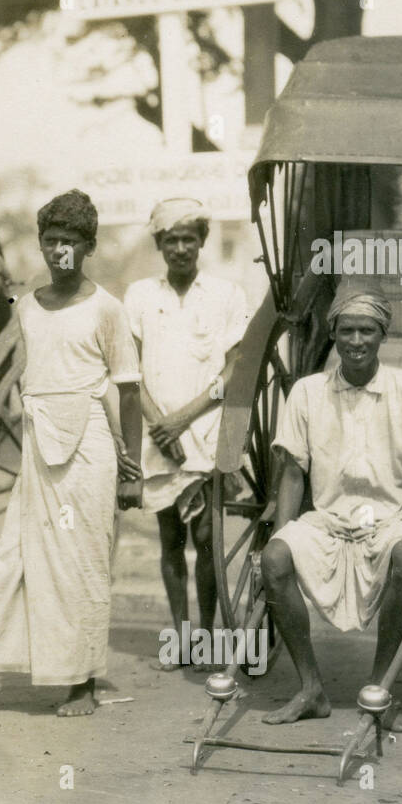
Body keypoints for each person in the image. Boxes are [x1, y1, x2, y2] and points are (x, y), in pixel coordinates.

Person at [0, 189, 143, 718]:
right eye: (51, 241)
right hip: (40, 442)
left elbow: (128, 391)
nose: (58, 251)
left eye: (70, 242)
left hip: (88, 445)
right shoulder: (30, 308)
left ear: (88, 247)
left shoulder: (108, 309)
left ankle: (82, 683)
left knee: (82, 561)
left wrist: (133, 472)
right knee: (12, 560)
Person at [260, 283, 402, 729]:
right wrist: (277, 540)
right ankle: (310, 689)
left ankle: (379, 689)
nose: (357, 342)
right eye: (346, 331)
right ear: (334, 334)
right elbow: (292, 473)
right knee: (274, 558)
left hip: (392, 518)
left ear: (383, 335)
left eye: (367, 331)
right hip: (327, 520)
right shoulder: (307, 392)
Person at [123, 198, 250, 668]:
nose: (180, 248)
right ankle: (179, 636)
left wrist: (183, 419)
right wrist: (159, 424)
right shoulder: (139, 296)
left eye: (188, 239)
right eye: (171, 240)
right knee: (170, 537)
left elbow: (234, 369)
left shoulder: (226, 295)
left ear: (201, 242)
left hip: (206, 428)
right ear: (159, 244)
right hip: (161, 438)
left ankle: (207, 631)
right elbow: (130, 369)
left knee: (207, 537)